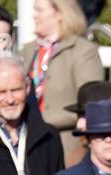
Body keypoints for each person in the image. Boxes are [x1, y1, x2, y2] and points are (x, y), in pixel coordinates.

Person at [21, 0, 105, 157]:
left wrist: (44, 121)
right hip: (29, 144)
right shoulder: (28, 50)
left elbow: (91, 104)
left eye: (39, 10)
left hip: (66, 146)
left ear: (58, 14)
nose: (34, 15)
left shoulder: (82, 51)